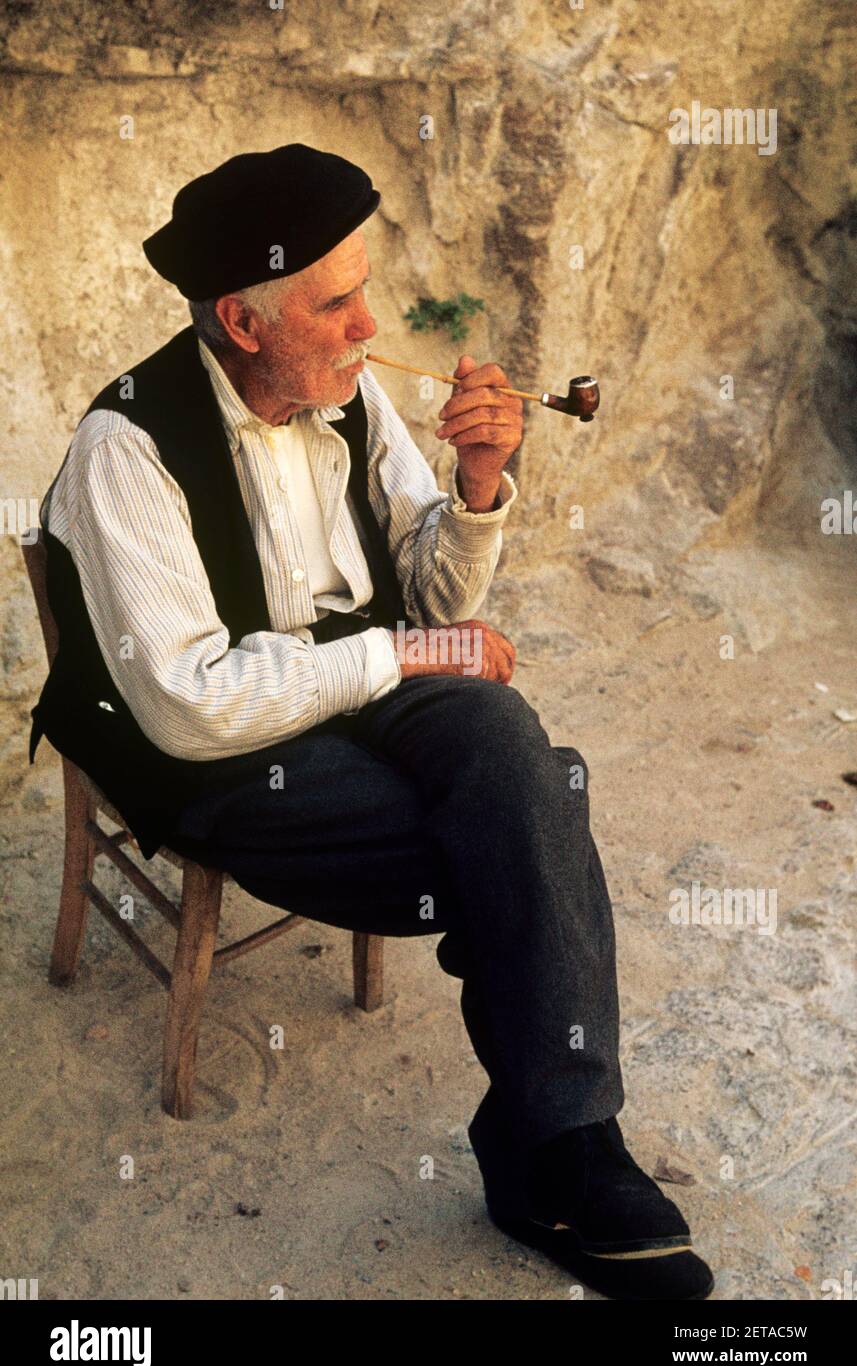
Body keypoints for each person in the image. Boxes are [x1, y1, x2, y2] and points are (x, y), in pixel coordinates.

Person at [29, 143, 713, 1301]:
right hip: (228, 753)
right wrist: (397, 651)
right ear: (243, 324)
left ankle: (561, 1134)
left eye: (364, 291)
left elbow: (442, 602)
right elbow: (192, 704)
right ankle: (555, 1153)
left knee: (510, 753)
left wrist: (479, 488)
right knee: (535, 810)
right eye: (335, 302)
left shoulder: (351, 399)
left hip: (362, 687)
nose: (367, 325)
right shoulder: (127, 449)